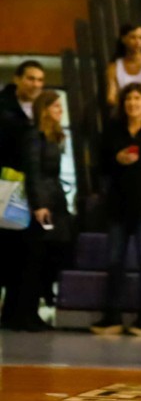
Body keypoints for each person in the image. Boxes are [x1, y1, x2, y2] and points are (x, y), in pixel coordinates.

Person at [88, 85, 141, 338]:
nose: (132, 103)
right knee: (114, 260)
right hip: (117, 203)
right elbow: (100, 166)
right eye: (128, 99)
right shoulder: (112, 130)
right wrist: (118, 160)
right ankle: (112, 316)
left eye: (137, 98)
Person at [20, 90, 72, 331]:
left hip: (56, 199)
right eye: (56, 107)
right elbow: (33, 171)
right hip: (43, 201)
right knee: (35, 257)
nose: (60, 111)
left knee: (52, 252)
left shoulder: (54, 136)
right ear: (45, 109)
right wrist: (39, 204)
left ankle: (39, 302)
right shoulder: (35, 136)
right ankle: (27, 312)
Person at [0, 60, 45, 329]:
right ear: (18, 79)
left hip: (25, 189)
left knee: (24, 252)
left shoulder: (38, 110)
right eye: (30, 78)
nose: (36, 84)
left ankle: (18, 311)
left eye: (40, 80)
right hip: (9, 187)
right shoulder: (6, 110)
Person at [105, 24, 141, 109]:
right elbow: (111, 97)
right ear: (123, 39)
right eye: (133, 37)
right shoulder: (113, 67)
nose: (138, 42)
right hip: (124, 110)